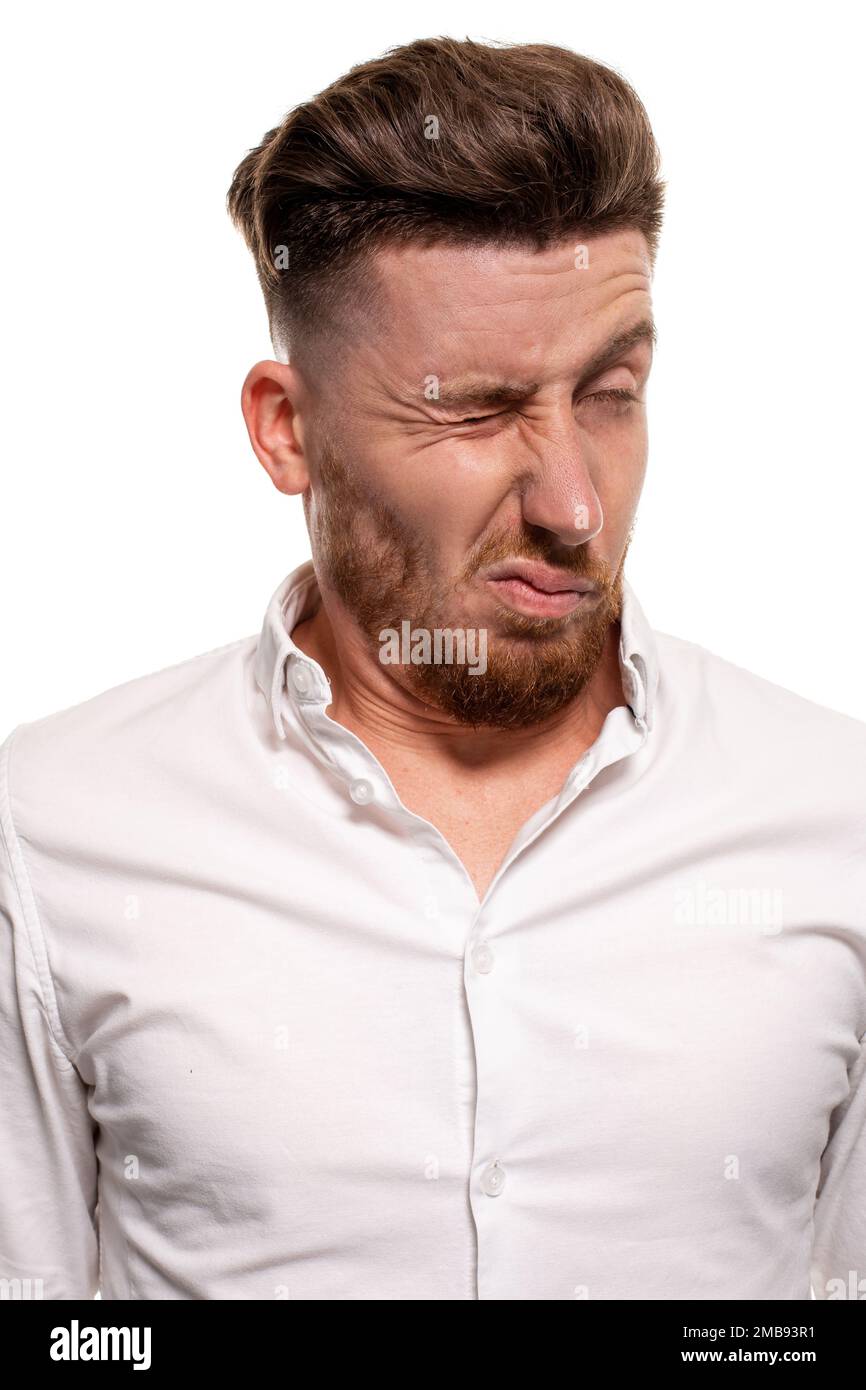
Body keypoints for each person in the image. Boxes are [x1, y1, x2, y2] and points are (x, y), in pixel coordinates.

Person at [1, 35, 864, 1302]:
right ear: (286, 429)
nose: (574, 503)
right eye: (472, 410)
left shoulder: (835, 817)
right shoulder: (51, 826)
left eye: (610, 390)